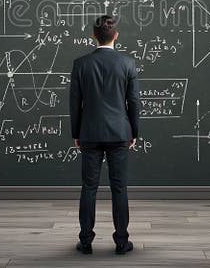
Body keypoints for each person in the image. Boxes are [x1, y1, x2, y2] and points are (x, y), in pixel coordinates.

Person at [69, 14, 140, 256]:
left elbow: (74, 102)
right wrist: (134, 131)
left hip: (89, 132)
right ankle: (122, 242)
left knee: (89, 187)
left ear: (93, 36)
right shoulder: (127, 63)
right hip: (120, 132)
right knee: (119, 187)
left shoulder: (81, 64)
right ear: (116, 36)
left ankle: (85, 241)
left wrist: (76, 133)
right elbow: (134, 102)